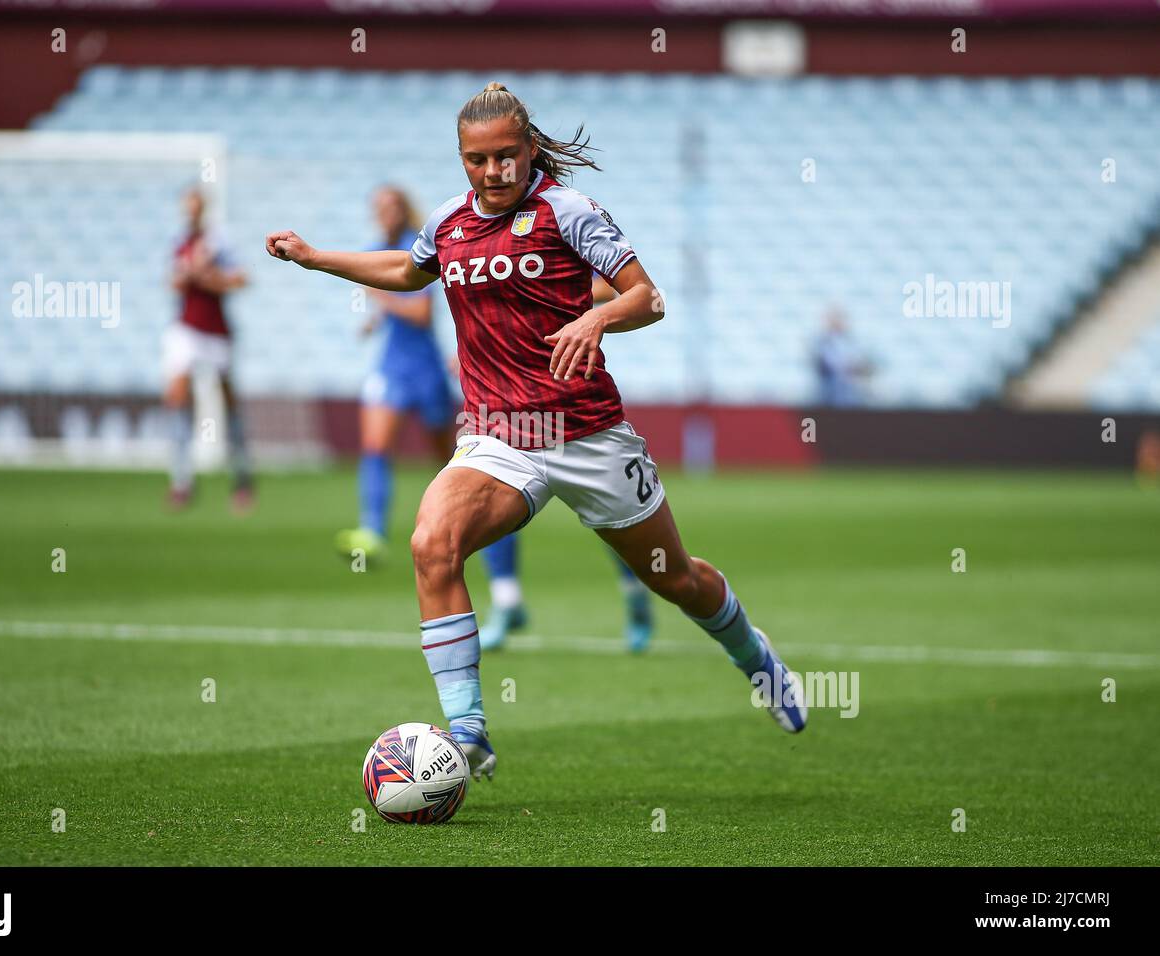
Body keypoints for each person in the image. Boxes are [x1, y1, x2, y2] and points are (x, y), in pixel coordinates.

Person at [267, 82, 807, 781]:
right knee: (432, 543)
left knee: (677, 580)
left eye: (505, 156)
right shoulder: (450, 224)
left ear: (530, 149)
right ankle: (468, 733)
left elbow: (648, 297)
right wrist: (317, 258)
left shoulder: (568, 212)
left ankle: (754, 657)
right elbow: (407, 269)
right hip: (499, 437)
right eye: (476, 160)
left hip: (589, 436)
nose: (493, 172)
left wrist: (596, 318)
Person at [478, 272, 655, 654]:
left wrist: (544, 292)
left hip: (574, 409)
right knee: (488, 501)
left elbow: (619, 290)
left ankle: (635, 591)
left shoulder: (564, 235)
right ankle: (506, 600)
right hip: (513, 409)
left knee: (612, 521)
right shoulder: (499, 245)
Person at [334, 186, 455, 560]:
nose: (385, 213)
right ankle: (372, 530)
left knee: (448, 461)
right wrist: (374, 320)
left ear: (403, 210)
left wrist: (380, 298)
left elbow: (420, 315)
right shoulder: (373, 250)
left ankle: (458, 523)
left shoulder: (416, 248)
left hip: (427, 369)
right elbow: (393, 308)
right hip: (392, 367)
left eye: (391, 206)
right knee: (375, 446)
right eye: (379, 207)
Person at [164, 186, 253, 511]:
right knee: (177, 396)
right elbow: (173, 283)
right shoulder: (180, 243)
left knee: (228, 403)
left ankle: (242, 475)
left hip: (216, 331)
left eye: (196, 207)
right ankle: (181, 480)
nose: (191, 213)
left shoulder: (219, 241)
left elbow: (241, 279)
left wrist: (206, 277)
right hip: (186, 328)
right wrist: (188, 276)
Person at [814, 307, 872, 407]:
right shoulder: (823, 342)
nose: (837, 322)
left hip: (851, 395)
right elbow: (833, 365)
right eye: (834, 319)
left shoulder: (851, 341)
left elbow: (861, 364)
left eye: (839, 318)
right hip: (830, 394)